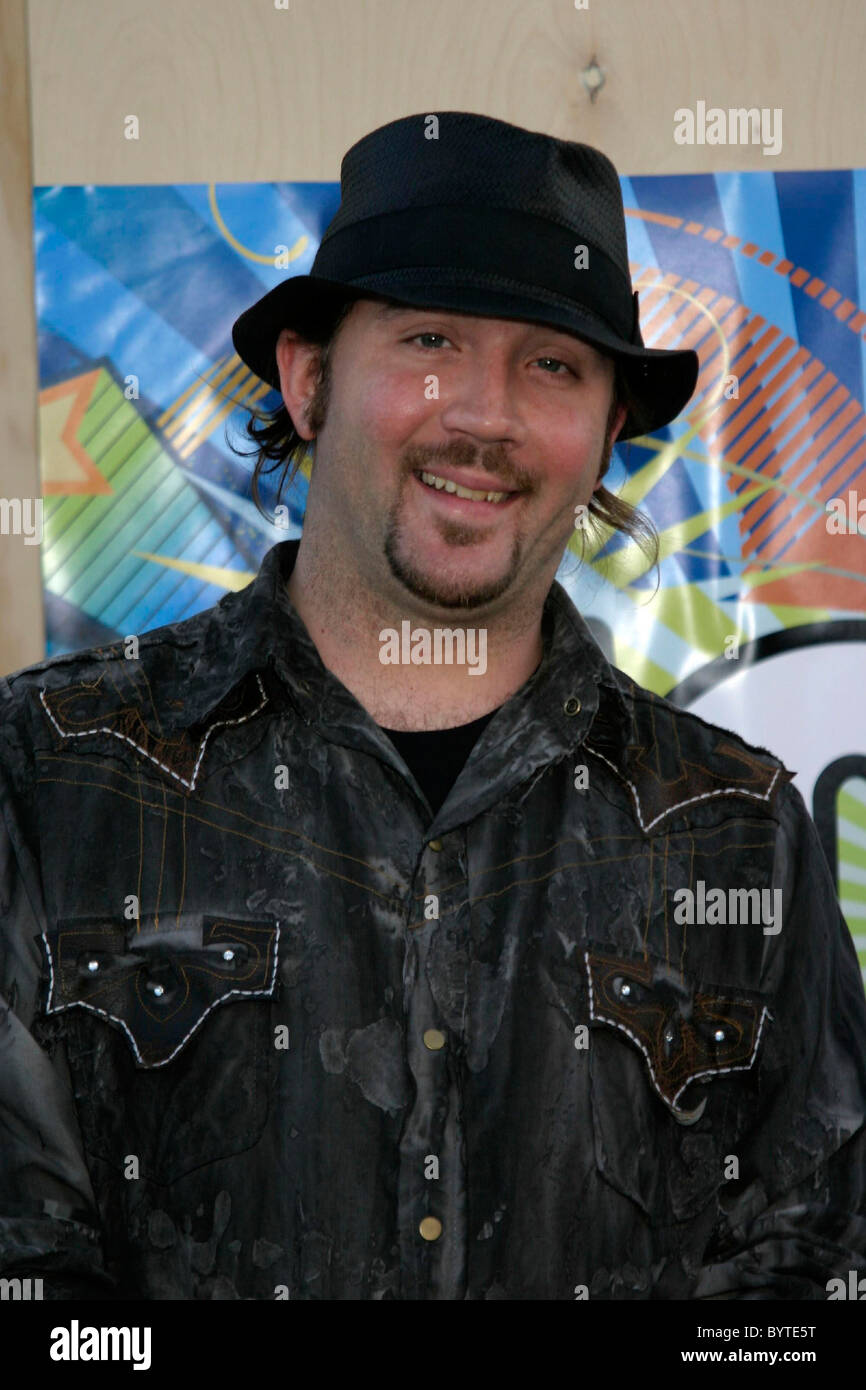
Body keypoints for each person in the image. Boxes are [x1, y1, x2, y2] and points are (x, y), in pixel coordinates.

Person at [1, 110, 864, 1301]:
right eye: (429, 340)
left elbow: (808, 1279)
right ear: (307, 380)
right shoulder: (48, 774)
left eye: (551, 363)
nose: (484, 413)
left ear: (608, 431)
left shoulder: (737, 828)